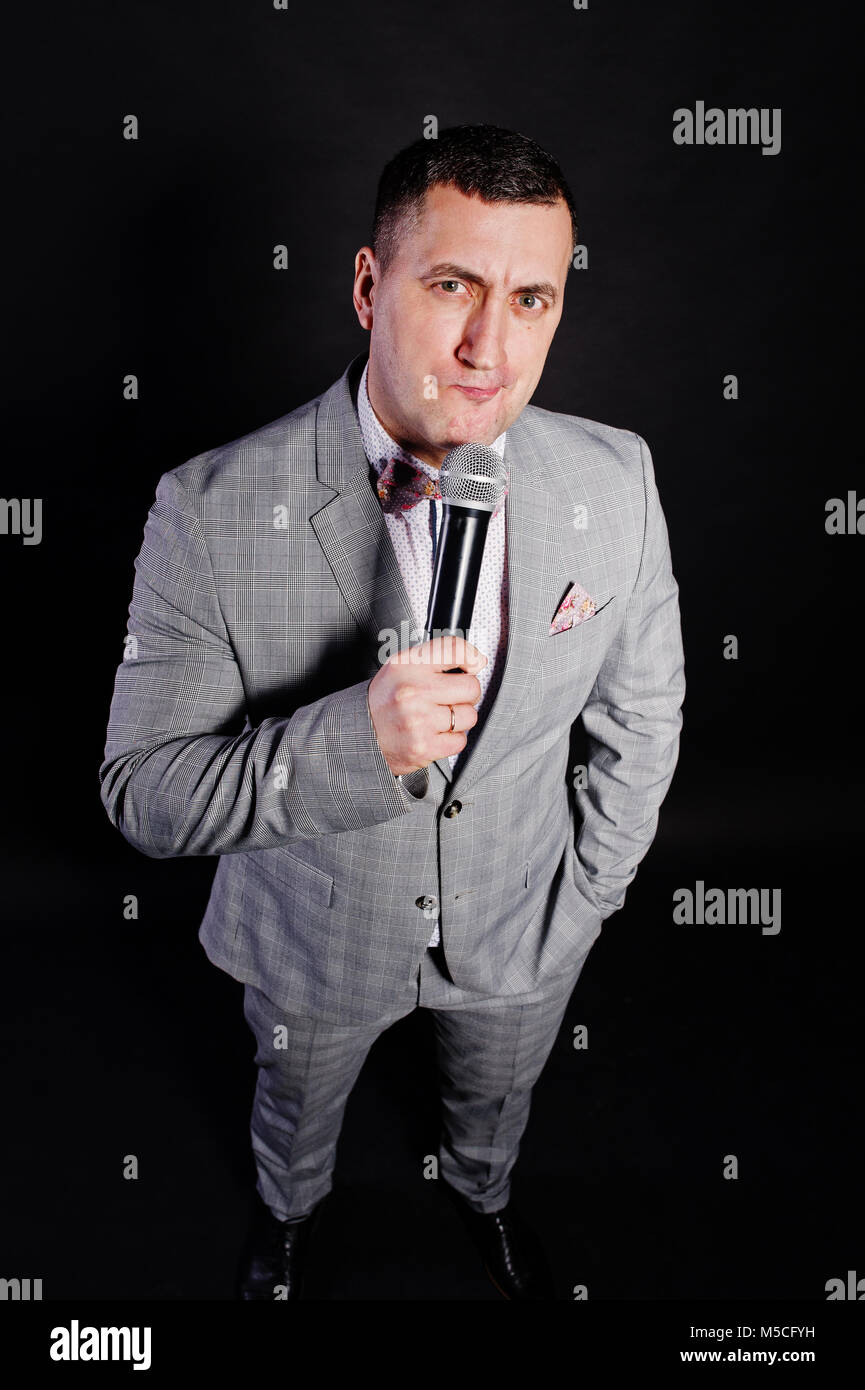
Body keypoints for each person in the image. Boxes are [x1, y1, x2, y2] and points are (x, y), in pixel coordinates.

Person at [99, 123, 685, 1301]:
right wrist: (348, 743)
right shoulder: (208, 509)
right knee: (294, 1110)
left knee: (496, 1100)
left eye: (532, 297)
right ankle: (286, 1215)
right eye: (454, 285)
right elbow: (142, 793)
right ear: (371, 287)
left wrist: (584, 897)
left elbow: (646, 714)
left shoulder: (615, 474)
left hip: (526, 921)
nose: (489, 345)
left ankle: (481, 1194)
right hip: (314, 938)